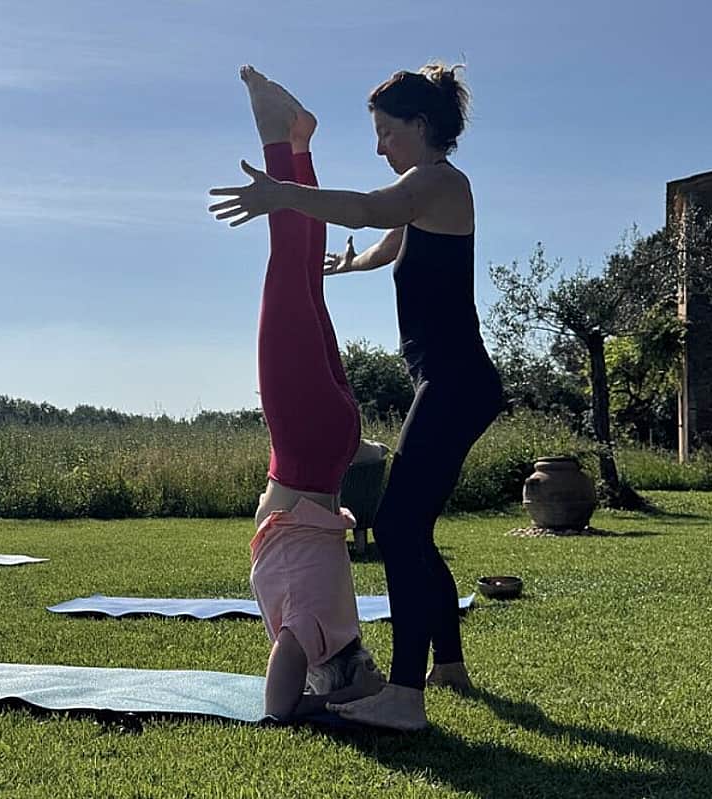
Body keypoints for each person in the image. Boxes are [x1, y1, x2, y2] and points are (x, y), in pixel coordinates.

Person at [210, 63, 503, 731]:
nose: (380, 146)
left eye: (386, 133)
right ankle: (448, 663)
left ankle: (404, 696)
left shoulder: (438, 182)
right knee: (412, 527)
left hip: (455, 380)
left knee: (399, 525)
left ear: (420, 127)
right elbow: (388, 236)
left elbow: (373, 209)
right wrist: (352, 264)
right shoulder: (426, 192)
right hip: (452, 381)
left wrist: (284, 192)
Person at [222, 66, 388, 722]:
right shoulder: (317, 631)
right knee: (289, 272)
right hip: (307, 445)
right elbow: (284, 675)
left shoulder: (335, 621)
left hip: (328, 445)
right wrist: (288, 711)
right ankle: (276, 136)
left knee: (305, 283)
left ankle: (299, 141)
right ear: (328, 672)